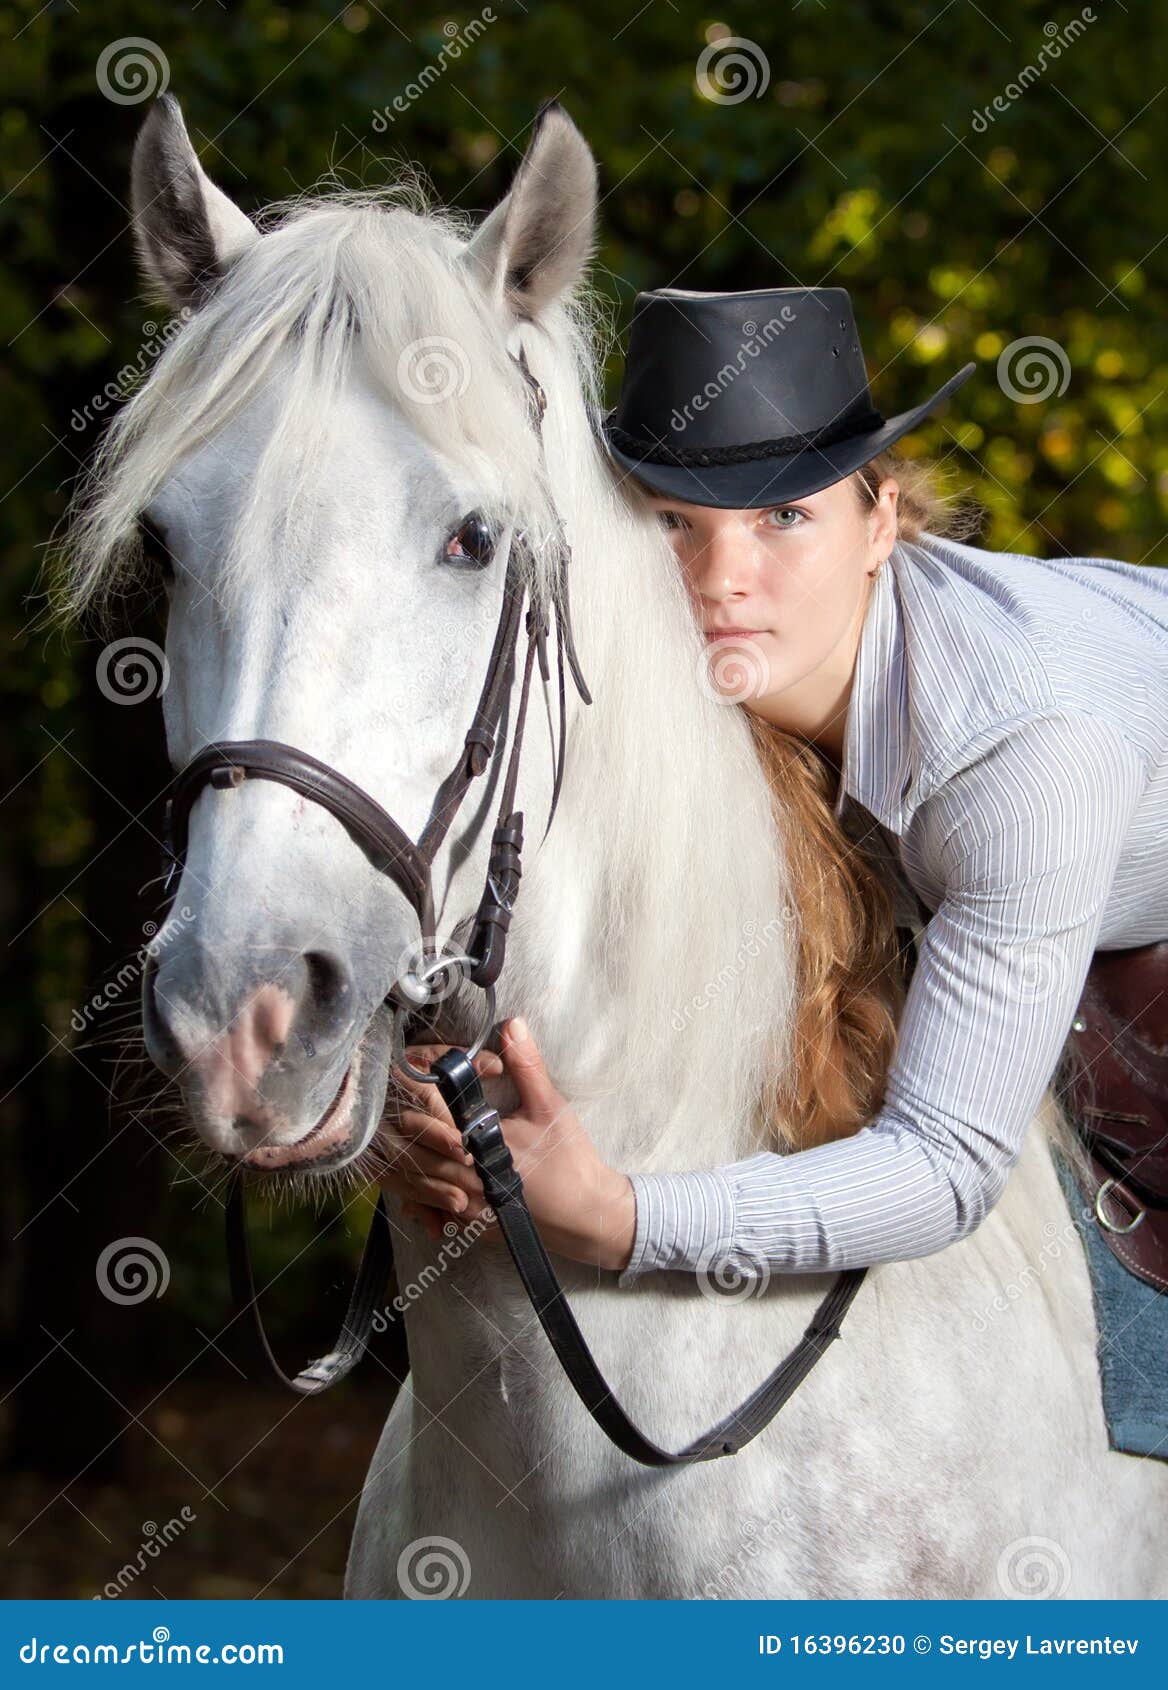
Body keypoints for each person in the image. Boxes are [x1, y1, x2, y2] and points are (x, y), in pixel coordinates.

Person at [381, 284, 1168, 1285]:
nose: (721, 577)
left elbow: (944, 1165)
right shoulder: (632, 664)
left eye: (784, 515)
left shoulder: (1023, 755)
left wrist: (618, 1217)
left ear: (879, 523)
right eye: (673, 520)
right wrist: (406, 1099)